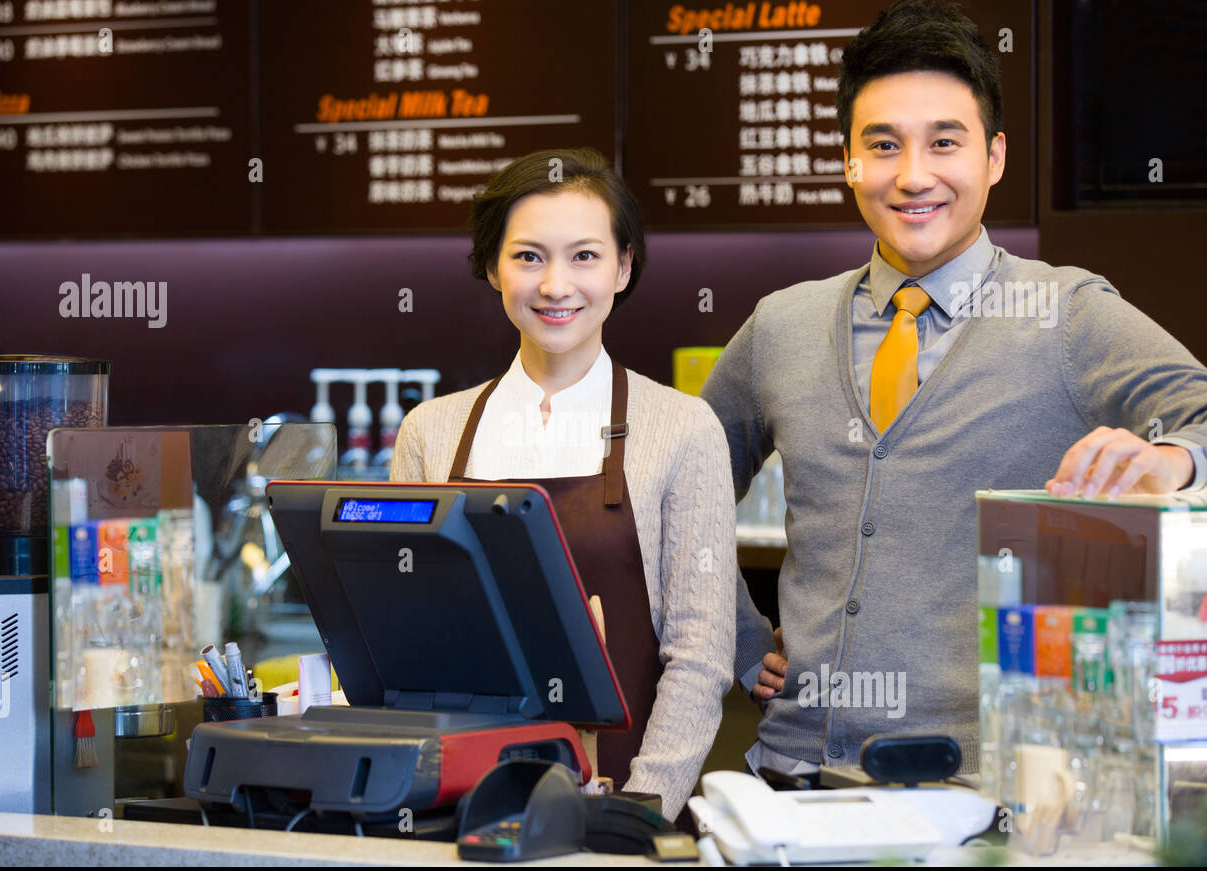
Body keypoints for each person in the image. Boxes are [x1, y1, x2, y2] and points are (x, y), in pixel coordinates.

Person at [701, 0, 1207, 777]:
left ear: (995, 156)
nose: (913, 176)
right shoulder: (782, 326)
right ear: (849, 162)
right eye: (883, 144)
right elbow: (682, 494)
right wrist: (738, 635)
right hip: (791, 776)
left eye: (945, 142)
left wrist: (1174, 458)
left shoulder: (1065, 314)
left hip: (982, 793)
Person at [391, 148, 735, 820]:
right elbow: (408, 642)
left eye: (584, 256)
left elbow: (701, 656)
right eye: (528, 257)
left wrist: (641, 808)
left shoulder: (683, 428)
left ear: (623, 266)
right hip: (455, 801)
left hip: (622, 797)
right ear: (492, 268)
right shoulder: (430, 432)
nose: (555, 285)